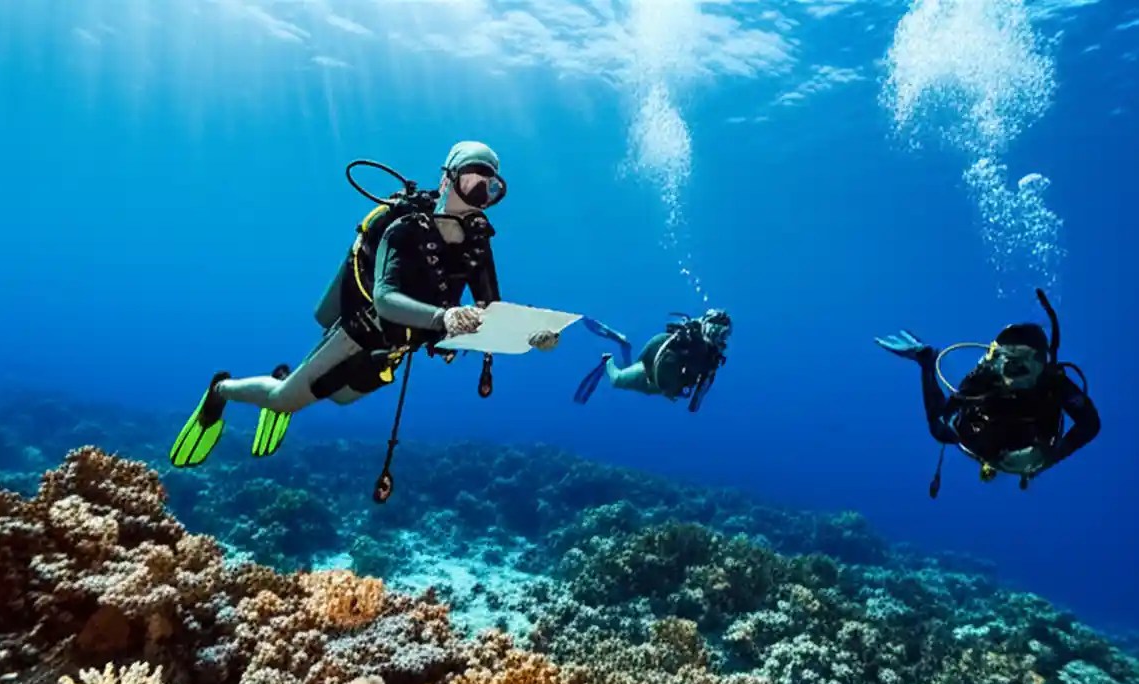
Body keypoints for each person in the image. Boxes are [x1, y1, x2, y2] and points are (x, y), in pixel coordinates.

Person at [170, 141, 559, 470]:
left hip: (395, 347)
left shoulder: (478, 244)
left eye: (491, 187)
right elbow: (385, 300)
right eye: (473, 180)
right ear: (447, 180)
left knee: (340, 398)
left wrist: (530, 336)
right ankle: (220, 391)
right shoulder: (404, 229)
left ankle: (289, 376)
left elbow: (491, 308)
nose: (480, 194)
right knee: (283, 401)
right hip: (360, 330)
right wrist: (445, 317)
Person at [875, 289, 1100, 498]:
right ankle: (925, 357)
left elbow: (1090, 423)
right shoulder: (985, 375)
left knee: (943, 432)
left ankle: (925, 360)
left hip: (1030, 444)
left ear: (1040, 363)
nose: (1009, 371)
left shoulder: (1054, 383)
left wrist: (1049, 457)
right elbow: (944, 415)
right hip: (986, 435)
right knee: (941, 431)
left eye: (1018, 364)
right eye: (1005, 361)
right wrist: (927, 365)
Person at [573, 309, 731, 412]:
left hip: (660, 377)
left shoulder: (710, 358)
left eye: (725, 334)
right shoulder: (700, 348)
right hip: (655, 374)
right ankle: (608, 360)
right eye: (721, 332)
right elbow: (695, 404)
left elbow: (696, 401)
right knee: (617, 380)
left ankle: (624, 345)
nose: (721, 337)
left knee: (631, 370)